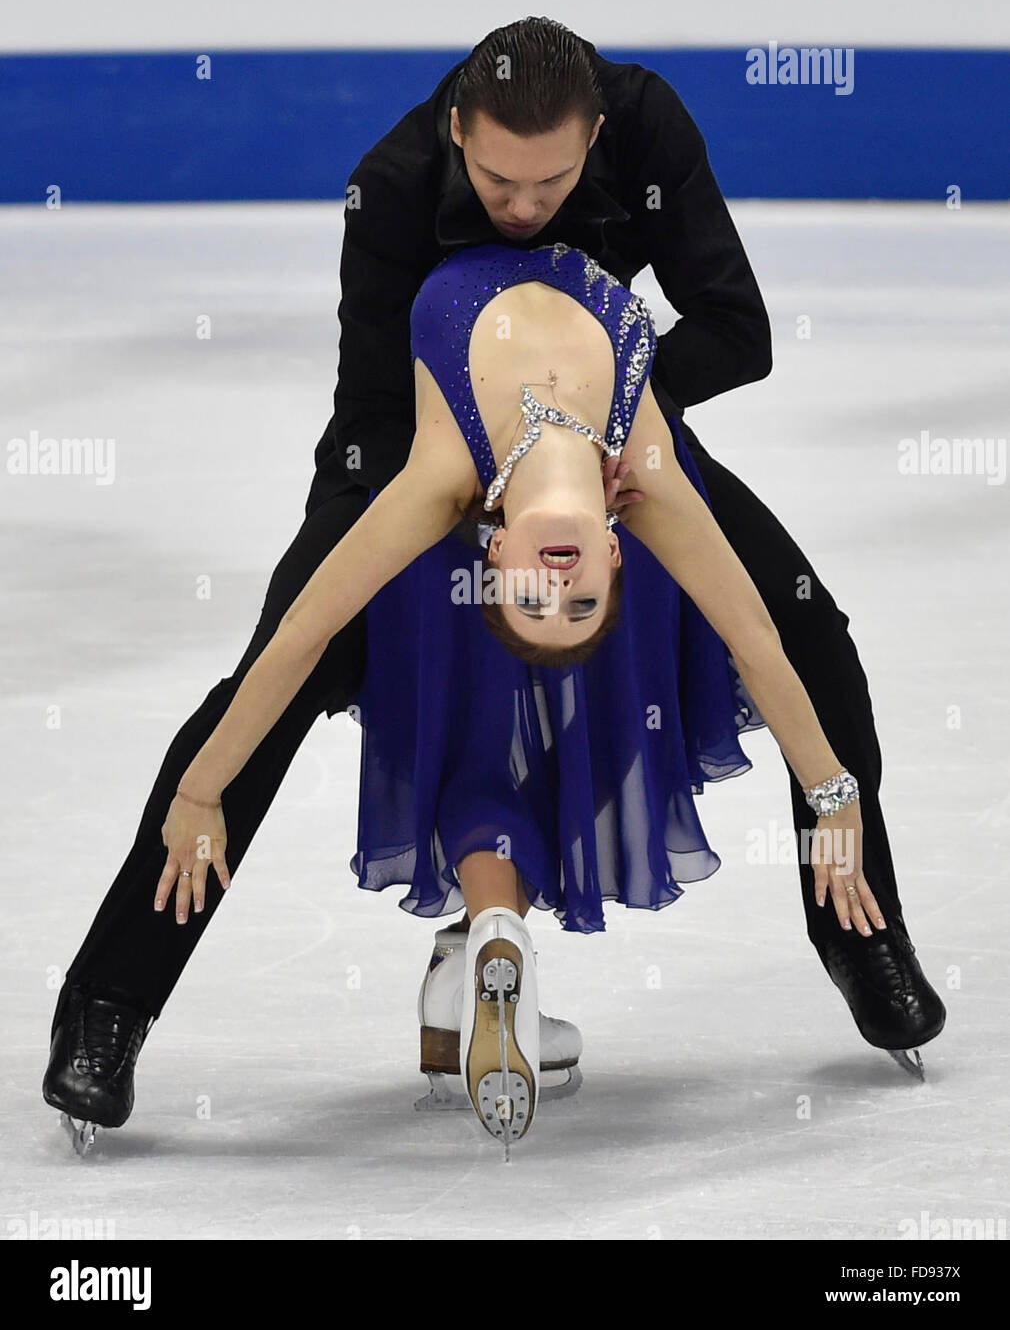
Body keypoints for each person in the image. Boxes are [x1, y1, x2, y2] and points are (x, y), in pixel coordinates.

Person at [44, 16, 943, 1149]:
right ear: (457, 129)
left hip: (620, 449)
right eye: (499, 180)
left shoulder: (647, 125)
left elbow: (737, 329)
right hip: (411, 454)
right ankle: (109, 1006)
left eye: (553, 182)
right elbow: (371, 396)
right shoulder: (391, 184)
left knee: (805, 633)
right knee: (282, 663)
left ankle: (860, 931)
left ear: (596, 139)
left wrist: (594, 407)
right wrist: (479, 474)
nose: (525, 204)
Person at [157, 235, 884, 1150]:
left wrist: (199, 788)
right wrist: (832, 791)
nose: (559, 583)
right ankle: (487, 942)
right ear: (617, 554)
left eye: (537, 600)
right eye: (580, 601)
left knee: (502, 744)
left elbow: (299, 636)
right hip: (558, 193)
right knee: (594, 735)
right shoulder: (646, 479)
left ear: (494, 553)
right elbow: (754, 637)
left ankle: (493, 928)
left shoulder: (436, 484)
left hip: (440, 516)